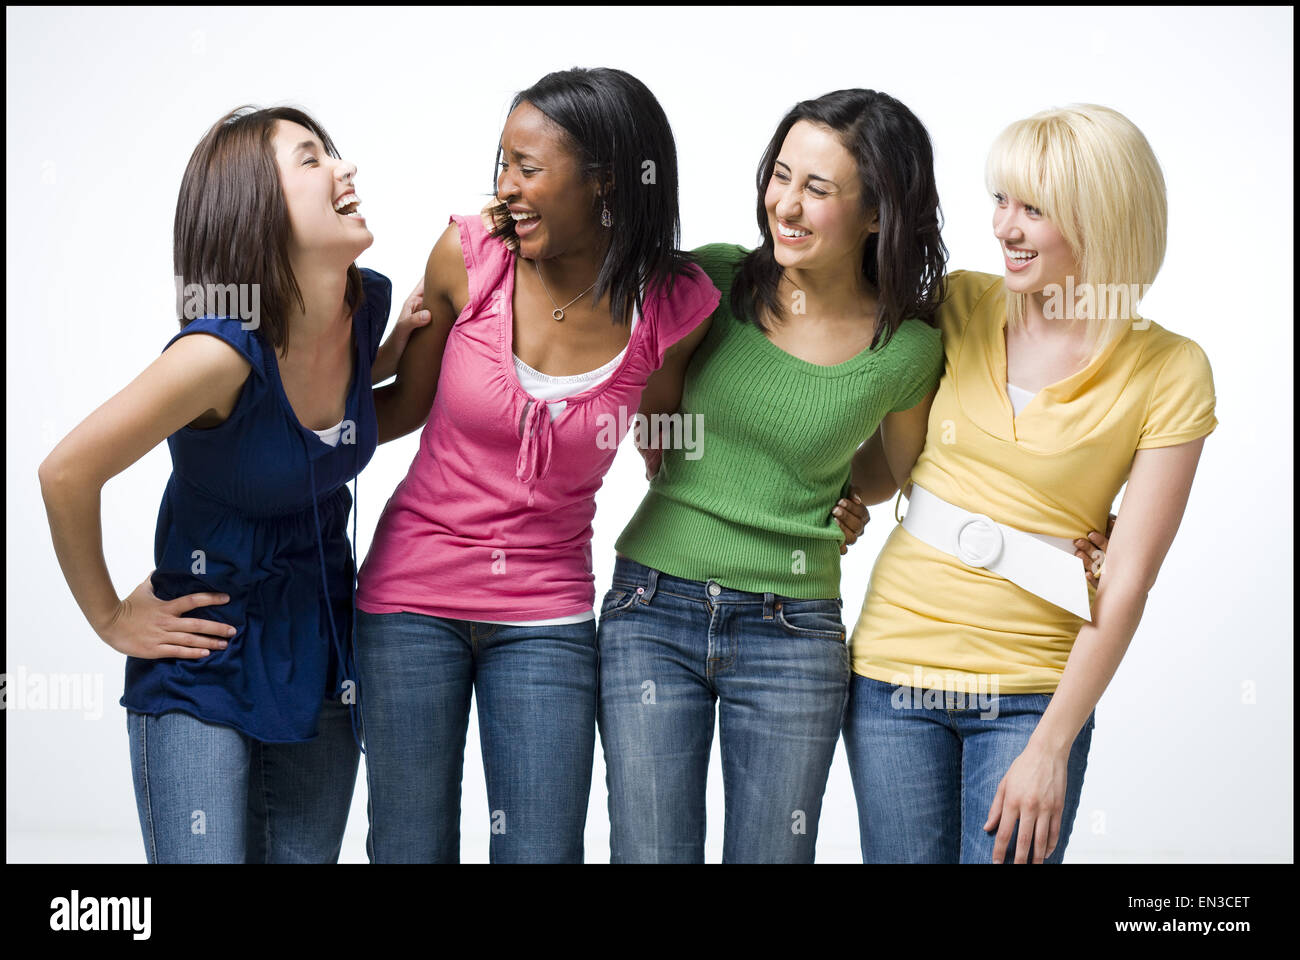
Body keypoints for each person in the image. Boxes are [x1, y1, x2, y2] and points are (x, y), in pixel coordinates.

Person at [38, 105, 429, 863]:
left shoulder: (360, 312)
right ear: (257, 207)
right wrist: (112, 618)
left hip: (318, 654)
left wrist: (403, 347)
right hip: (204, 660)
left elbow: (347, 419)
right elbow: (66, 472)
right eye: (312, 160)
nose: (345, 169)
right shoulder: (218, 355)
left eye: (334, 153)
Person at [353, 67, 720, 863]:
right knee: (409, 845)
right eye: (502, 163)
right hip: (410, 597)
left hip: (545, 610)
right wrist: (281, 407)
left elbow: (667, 444)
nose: (505, 187)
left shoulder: (670, 302)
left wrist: (826, 490)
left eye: (529, 168)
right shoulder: (468, 254)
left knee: (542, 849)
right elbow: (397, 411)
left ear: (604, 182)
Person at [842, 103, 1217, 864]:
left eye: (1034, 209)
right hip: (893, 672)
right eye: (1000, 200)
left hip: (1032, 693)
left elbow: (1131, 576)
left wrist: (1052, 745)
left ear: (1100, 218)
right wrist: (830, 494)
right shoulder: (956, 304)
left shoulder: (1171, 369)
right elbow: (886, 465)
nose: (1004, 227)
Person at [597, 89, 949, 863]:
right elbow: (649, 431)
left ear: (879, 214)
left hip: (793, 629)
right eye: (781, 176)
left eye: (817, 190)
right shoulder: (713, 280)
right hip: (653, 604)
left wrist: (845, 497)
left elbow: (891, 470)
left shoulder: (906, 348)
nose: (785, 204)